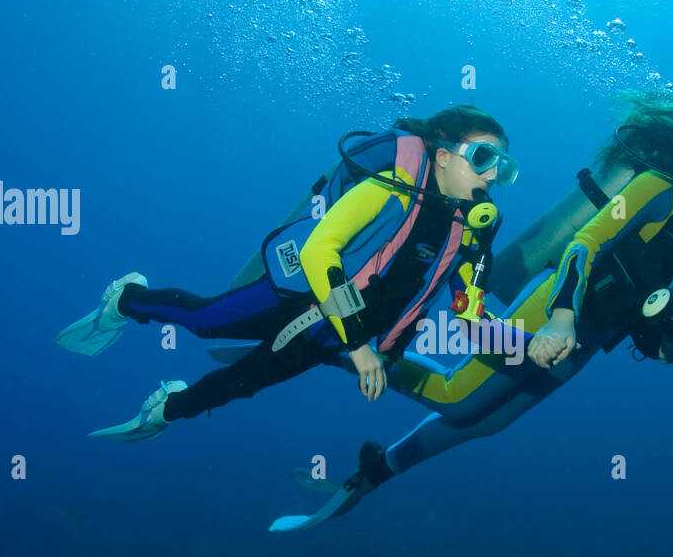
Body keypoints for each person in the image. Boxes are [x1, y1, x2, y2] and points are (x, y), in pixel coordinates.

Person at [270, 94, 673, 531]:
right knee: (456, 398)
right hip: (557, 315)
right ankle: (329, 345)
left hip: (591, 337)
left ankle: (375, 471)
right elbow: (584, 243)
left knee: (489, 422)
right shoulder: (660, 188)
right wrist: (560, 317)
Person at [54, 105, 518, 440]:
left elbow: (471, 313)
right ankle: (127, 298)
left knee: (240, 385)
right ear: (440, 156)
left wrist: (527, 345)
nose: (494, 174)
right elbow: (320, 253)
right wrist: (359, 347)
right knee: (202, 321)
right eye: (482, 158)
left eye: (504, 167)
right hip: (294, 298)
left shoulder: (473, 231)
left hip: (330, 335)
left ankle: (166, 409)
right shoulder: (390, 187)